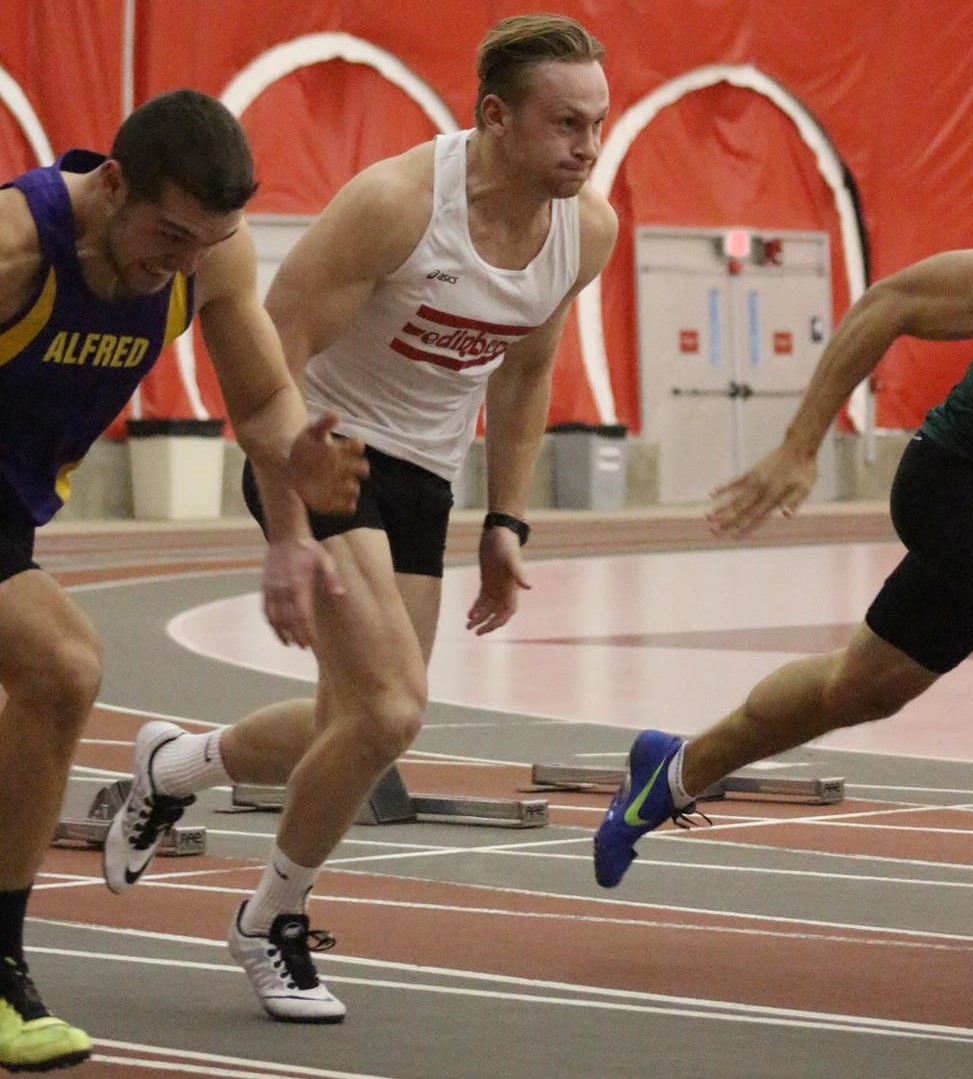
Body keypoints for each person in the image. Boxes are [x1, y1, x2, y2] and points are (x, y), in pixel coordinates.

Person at [104, 14, 618, 1024]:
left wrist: (506, 517)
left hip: (423, 474)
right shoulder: (394, 205)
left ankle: (173, 764)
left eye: (599, 123)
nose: (588, 147)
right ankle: (269, 920)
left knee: (360, 723)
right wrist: (289, 517)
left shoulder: (583, 229)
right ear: (495, 117)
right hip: (322, 446)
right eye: (566, 124)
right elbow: (268, 355)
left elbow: (525, 371)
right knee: (388, 709)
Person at [0, 88, 366, 1072]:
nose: (184, 261)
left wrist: (294, 517)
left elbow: (260, 403)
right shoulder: (16, 247)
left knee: (57, 675)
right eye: (168, 233)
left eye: (207, 240)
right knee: (65, 663)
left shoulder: (206, 260)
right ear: (112, 183)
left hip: (10, 508)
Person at [592, 242, 973, 944]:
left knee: (861, 688)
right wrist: (800, 444)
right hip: (958, 487)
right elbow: (890, 301)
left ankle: (675, 769)